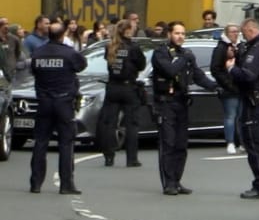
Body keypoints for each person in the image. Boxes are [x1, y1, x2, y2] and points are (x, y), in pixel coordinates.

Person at [150, 21, 218, 195]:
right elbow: (170, 71)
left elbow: (198, 75)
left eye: (183, 34)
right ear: (169, 34)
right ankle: (168, 183)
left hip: (182, 102)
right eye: (177, 33)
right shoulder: (161, 53)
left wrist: (216, 87)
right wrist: (183, 59)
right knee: (169, 143)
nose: (180, 37)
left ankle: (177, 180)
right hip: (166, 103)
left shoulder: (186, 54)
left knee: (181, 144)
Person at [28, 21, 86, 194]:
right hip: (63, 103)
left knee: (40, 142)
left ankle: (36, 183)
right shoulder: (69, 54)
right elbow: (81, 66)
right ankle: (66, 184)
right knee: (66, 144)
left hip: (44, 102)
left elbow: (34, 71)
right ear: (63, 35)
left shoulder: (38, 53)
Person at [229, 18, 259, 199]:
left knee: (255, 145)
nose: (242, 36)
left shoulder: (256, 50)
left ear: (249, 30)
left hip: (254, 103)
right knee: (258, 144)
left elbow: (248, 75)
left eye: (243, 32)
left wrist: (231, 69)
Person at [96, 20, 147, 167]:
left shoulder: (110, 46)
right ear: (129, 31)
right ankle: (131, 158)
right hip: (128, 88)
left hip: (112, 87)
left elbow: (108, 62)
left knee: (109, 123)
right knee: (132, 124)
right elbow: (141, 65)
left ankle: (109, 156)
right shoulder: (133, 47)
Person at [211, 23, 242, 155]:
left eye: (237, 31)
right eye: (232, 32)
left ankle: (240, 142)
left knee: (240, 117)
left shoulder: (241, 46)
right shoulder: (221, 48)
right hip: (228, 88)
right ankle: (230, 142)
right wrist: (228, 84)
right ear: (227, 33)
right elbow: (215, 69)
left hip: (241, 87)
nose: (235, 34)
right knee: (230, 115)